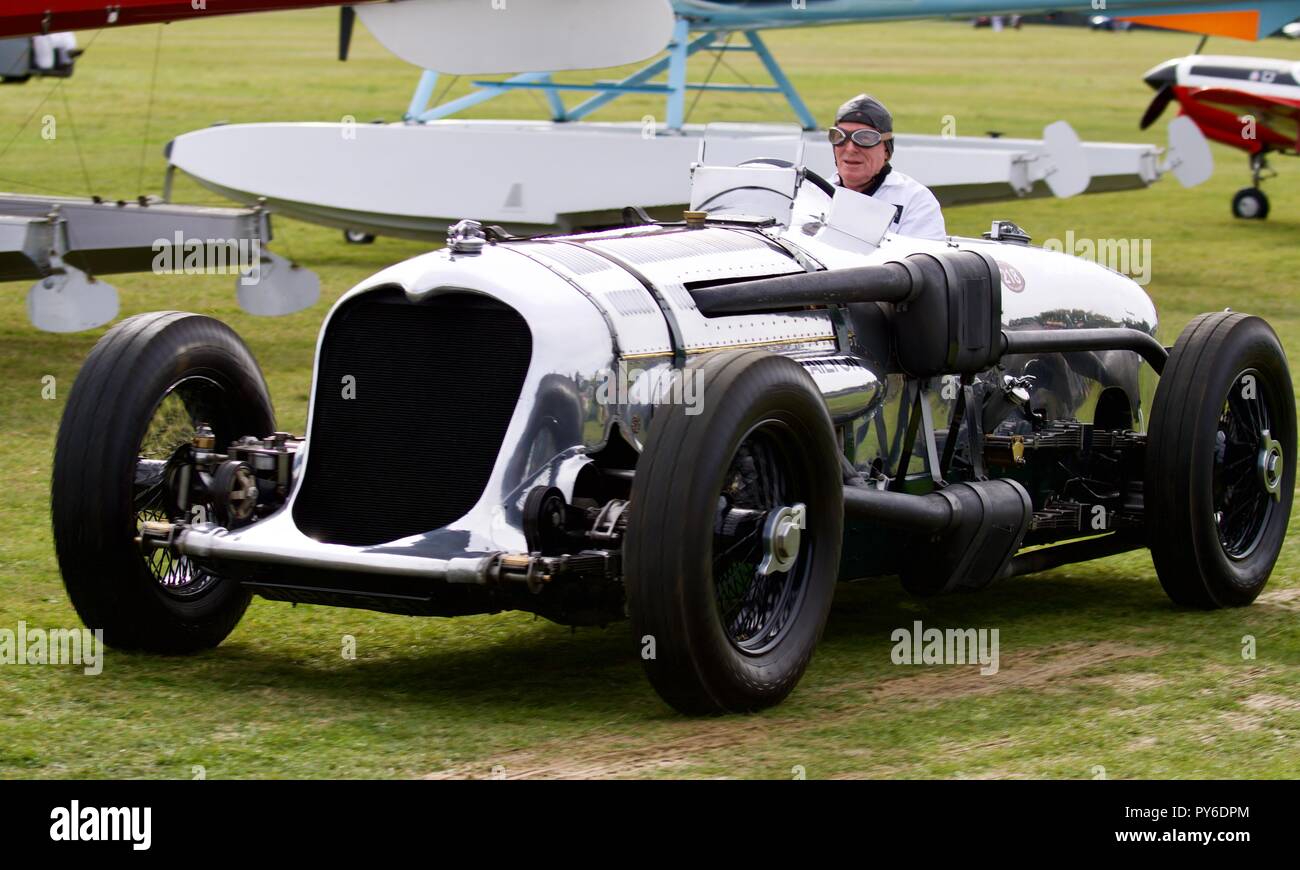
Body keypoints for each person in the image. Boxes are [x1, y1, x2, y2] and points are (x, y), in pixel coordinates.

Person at [829, 94, 947, 240]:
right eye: (840, 137)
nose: (850, 148)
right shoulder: (814, 194)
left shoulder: (915, 201)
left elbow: (923, 260)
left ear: (886, 150)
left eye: (865, 138)